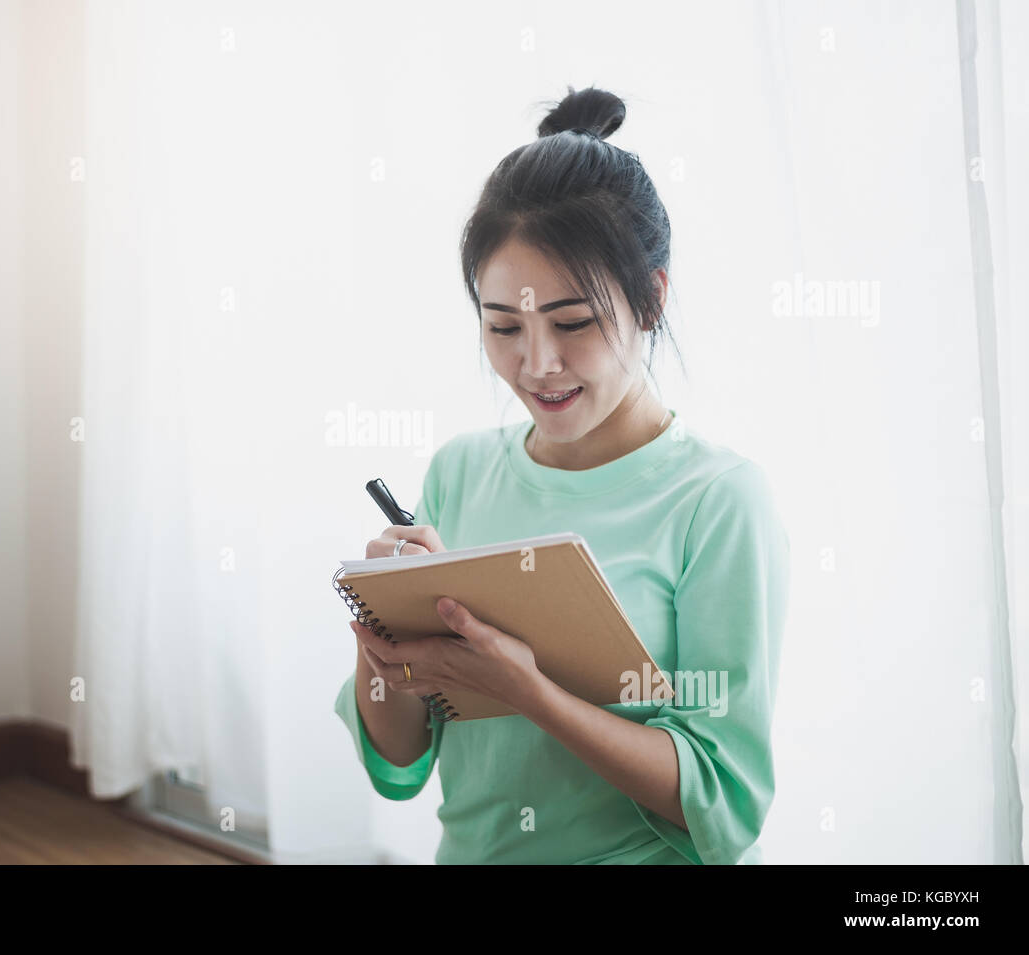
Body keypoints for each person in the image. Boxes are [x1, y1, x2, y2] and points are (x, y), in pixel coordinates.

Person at [333, 85, 792, 864]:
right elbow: (401, 767)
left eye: (572, 323)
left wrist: (532, 693)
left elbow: (720, 799)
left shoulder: (717, 503)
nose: (536, 364)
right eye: (502, 326)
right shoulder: (461, 471)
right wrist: (381, 644)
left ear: (652, 298)